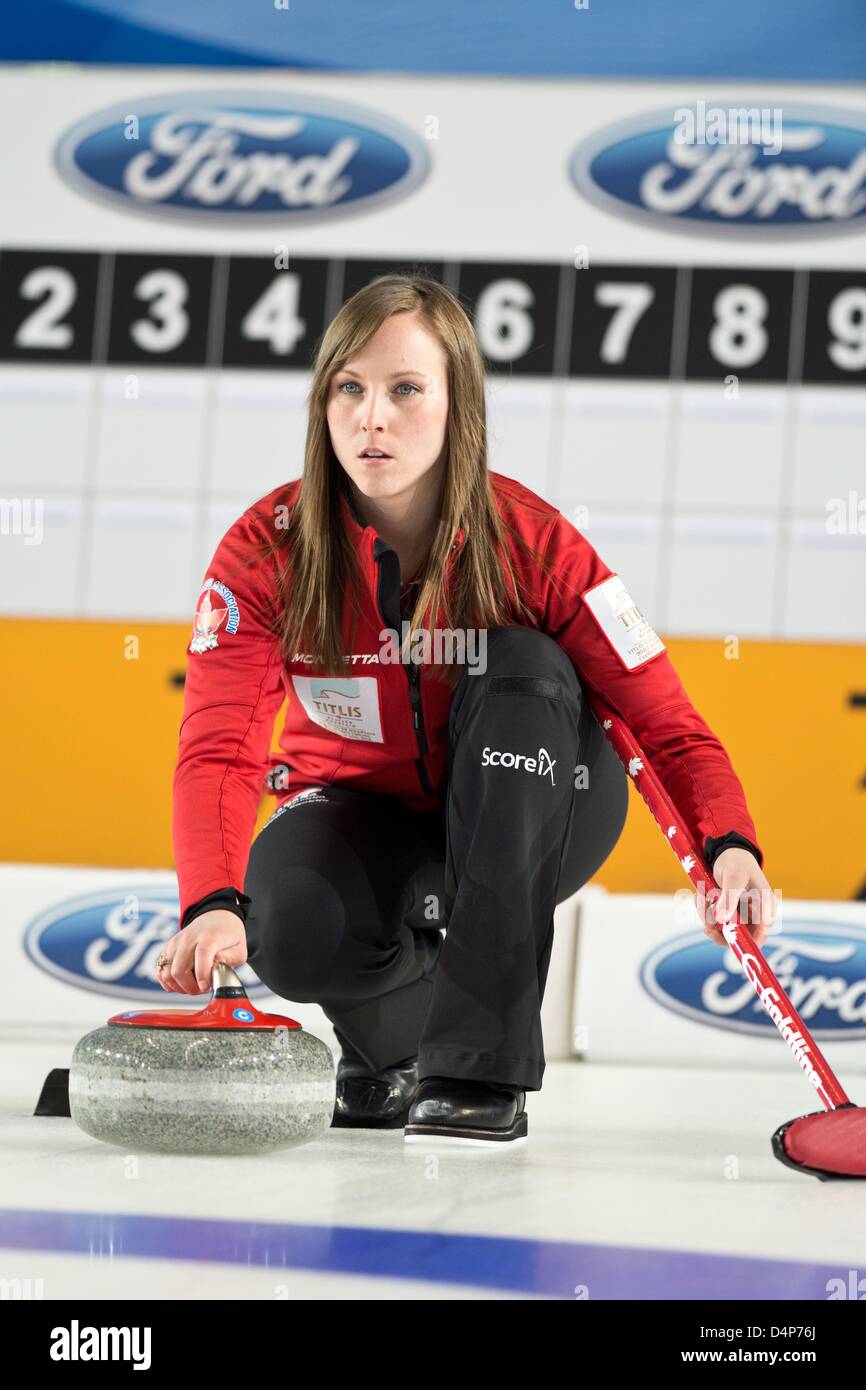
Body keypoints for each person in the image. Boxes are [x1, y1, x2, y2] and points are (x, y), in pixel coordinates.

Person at [162, 274, 775, 1145]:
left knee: (521, 662)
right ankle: (391, 1056)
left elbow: (664, 723)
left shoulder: (537, 543)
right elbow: (219, 751)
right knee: (290, 926)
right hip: (363, 809)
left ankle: (476, 1072)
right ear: (322, 403)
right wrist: (209, 902)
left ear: (459, 406)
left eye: (406, 389)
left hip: (534, 801)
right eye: (351, 388)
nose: (373, 417)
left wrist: (730, 845)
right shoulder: (269, 549)